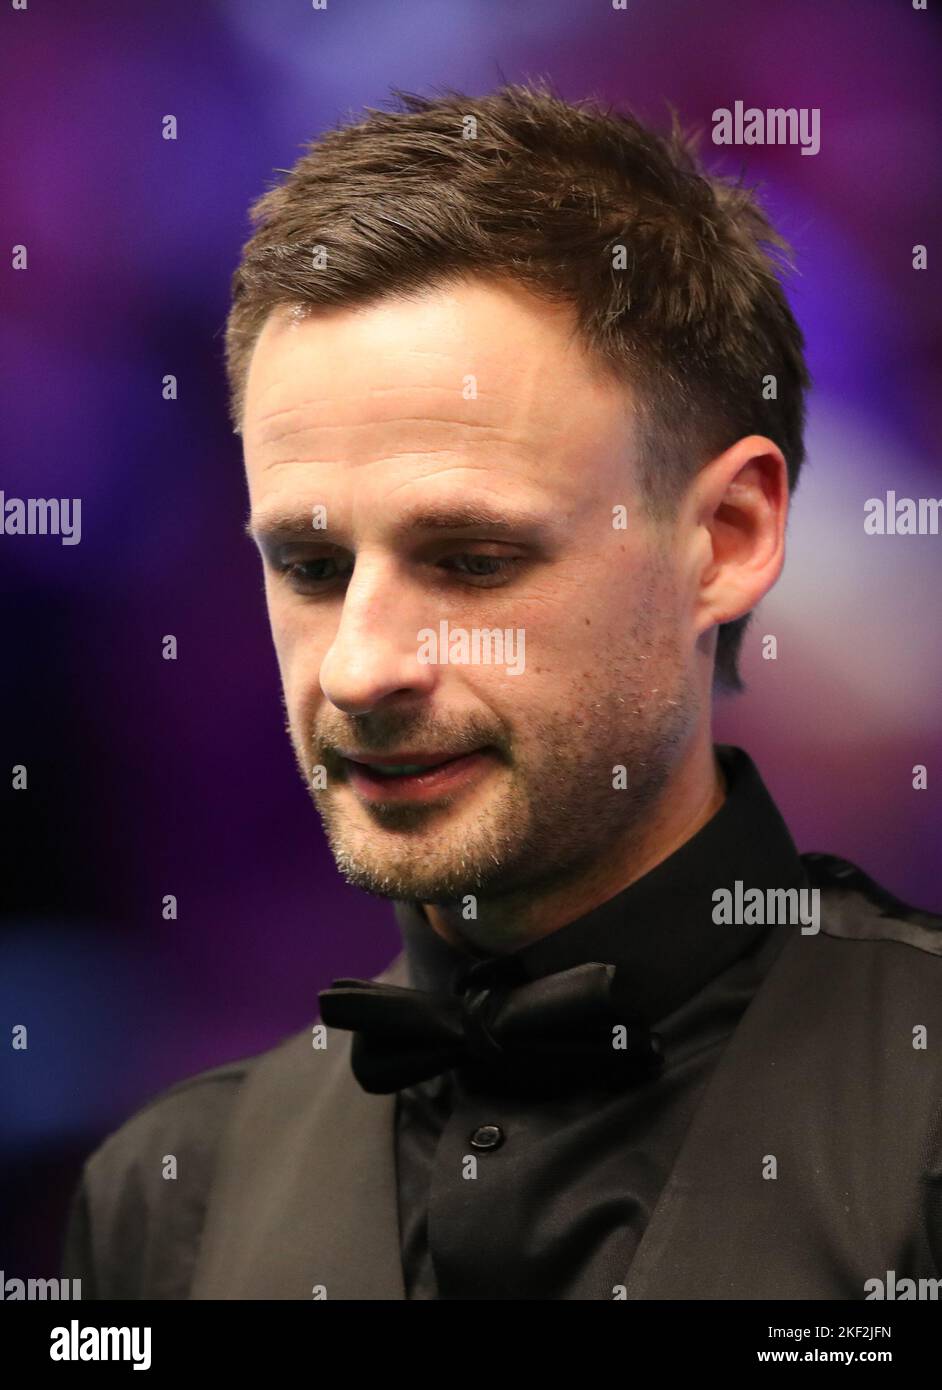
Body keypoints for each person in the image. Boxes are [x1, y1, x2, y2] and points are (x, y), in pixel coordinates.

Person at [61, 81, 942, 1301]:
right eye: (311, 567)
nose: (362, 668)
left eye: (473, 561)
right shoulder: (164, 1197)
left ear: (730, 538)